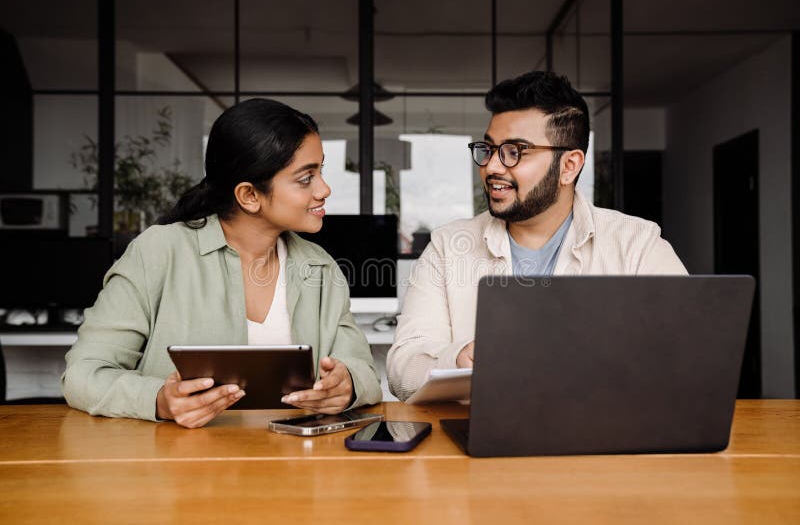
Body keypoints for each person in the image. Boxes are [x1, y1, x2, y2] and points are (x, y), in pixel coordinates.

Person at [62, 98, 383, 427]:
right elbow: (84, 374)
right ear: (249, 196)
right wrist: (159, 400)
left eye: (321, 171)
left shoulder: (321, 267)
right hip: (179, 469)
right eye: (305, 178)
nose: (324, 189)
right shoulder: (158, 252)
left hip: (296, 466)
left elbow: (364, 374)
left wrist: (347, 387)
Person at [387, 71, 687, 402]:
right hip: (477, 440)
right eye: (488, 149)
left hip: (600, 442)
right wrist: (459, 360)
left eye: (515, 151)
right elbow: (402, 371)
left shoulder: (637, 245)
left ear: (569, 165)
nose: (492, 167)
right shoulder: (447, 246)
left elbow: (687, 357)